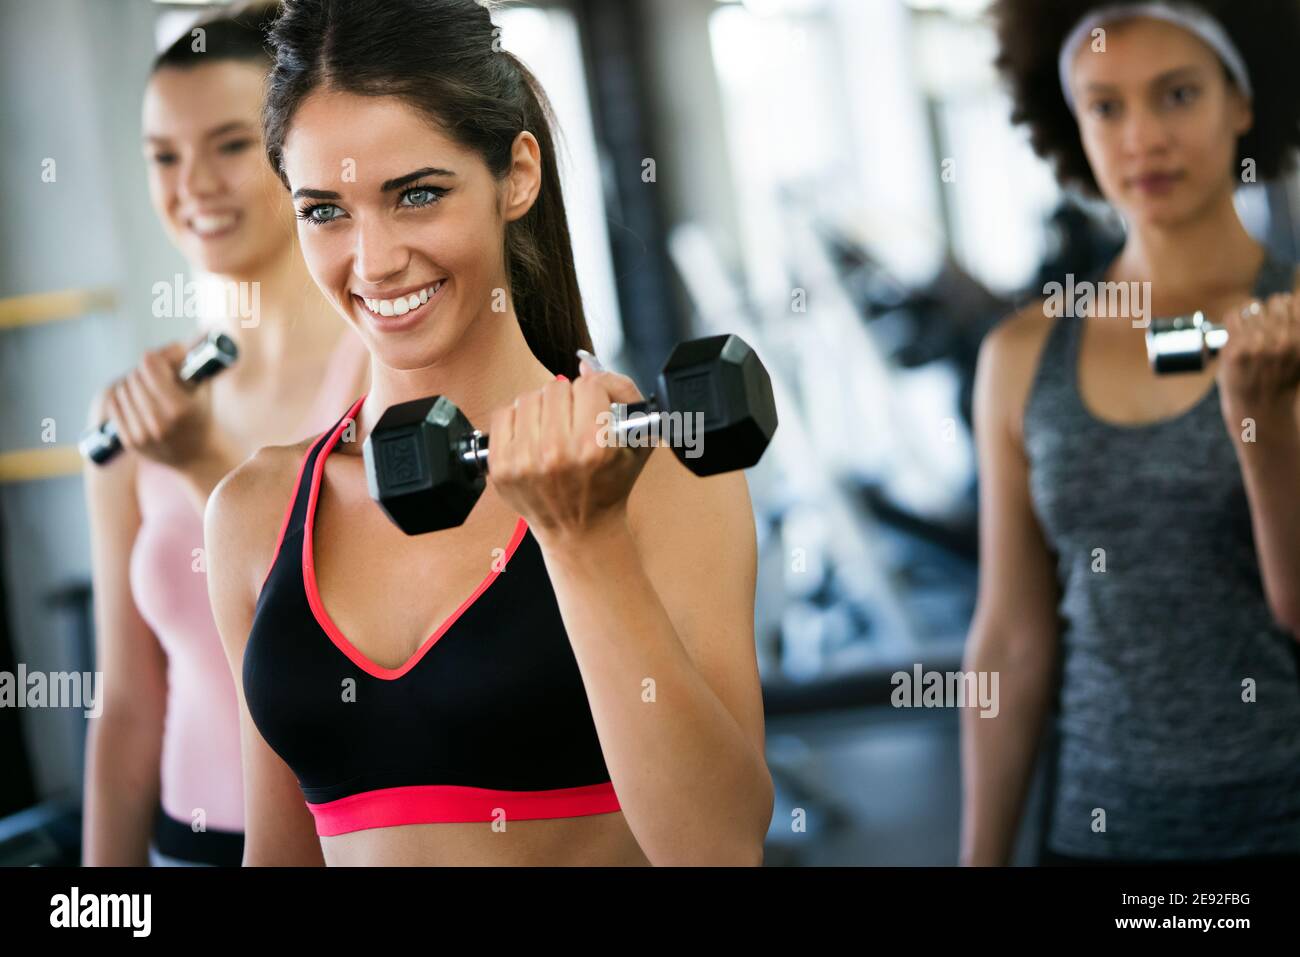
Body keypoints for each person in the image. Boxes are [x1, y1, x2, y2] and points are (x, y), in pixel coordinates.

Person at [203, 0, 773, 866]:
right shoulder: (253, 512)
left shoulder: (656, 471)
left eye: (417, 194)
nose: (375, 259)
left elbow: (720, 847)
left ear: (516, 175)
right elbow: (279, 856)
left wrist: (583, 538)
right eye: (326, 210)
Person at [962, 0, 1300, 866]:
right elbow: (1011, 636)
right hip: (1096, 832)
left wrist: (1260, 429)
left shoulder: (1292, 331)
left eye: (1178, 94)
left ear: (1242, 101)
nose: (1142, 136)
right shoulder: (1020, 355)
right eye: (1107, 106)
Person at [82, 2, 368, 866]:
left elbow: (347, 639)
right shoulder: (129, 415)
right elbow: (130, 701)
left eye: (230, 145)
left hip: (341, 844)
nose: (192, 184)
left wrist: (201, 465)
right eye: (163, 157)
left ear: (295, 152)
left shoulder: (380, 380)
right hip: (181, 846)